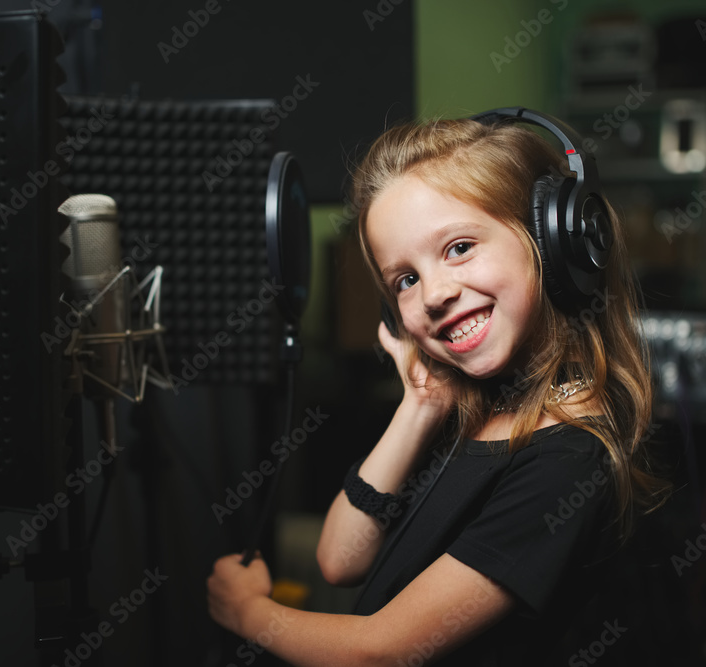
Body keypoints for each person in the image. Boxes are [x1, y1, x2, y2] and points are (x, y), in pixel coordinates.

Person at [207, 112, 670, 665]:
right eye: (405, 279)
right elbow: (340, 559)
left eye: (458, 248)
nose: (433, 294)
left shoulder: (567, 456)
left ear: (553, 240)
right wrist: (420, 404)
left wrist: (246, 613)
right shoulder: (475, 409)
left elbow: (383, 652)